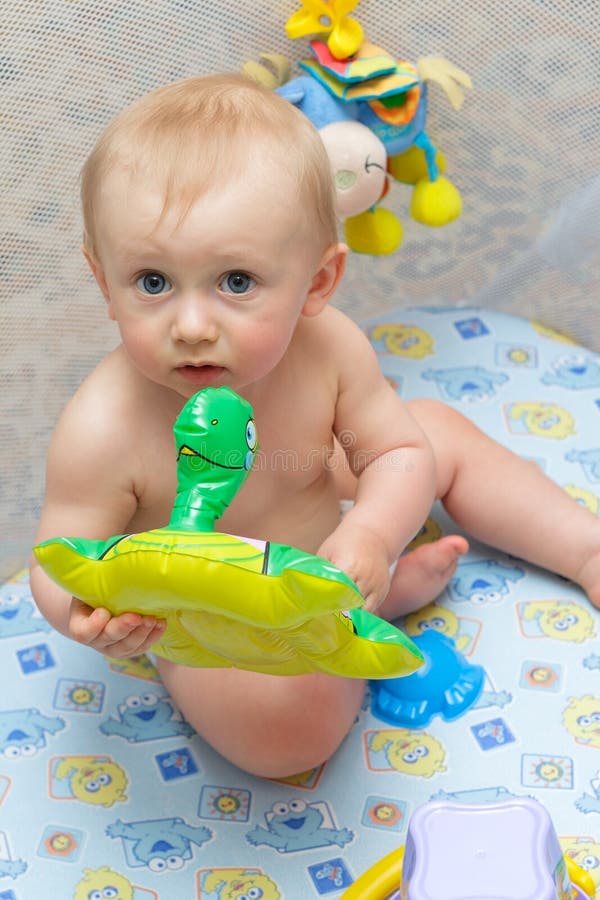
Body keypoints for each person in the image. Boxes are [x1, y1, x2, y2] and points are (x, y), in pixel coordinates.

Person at [30, 73, 600, 778]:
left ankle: (583, 549)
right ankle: (374, 604)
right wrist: (87, 614)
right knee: (285, 740)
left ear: (318, 282)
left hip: (316, 508)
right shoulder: (105, 426)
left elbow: (390, 453)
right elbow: (60, 553)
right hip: (219, 621)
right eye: (152, 282)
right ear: (102, 281)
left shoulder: (329, 352)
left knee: (430, 432)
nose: (192, 326)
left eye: (236, 282)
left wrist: (369, 533)